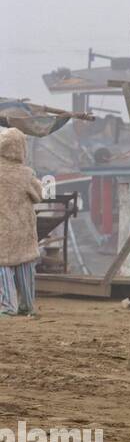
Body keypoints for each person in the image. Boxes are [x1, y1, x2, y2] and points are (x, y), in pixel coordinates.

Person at [0, 128, 44, 317]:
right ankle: (26, 305)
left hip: (2, 228)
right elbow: (39, 195)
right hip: (23, 229)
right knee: (25, 266)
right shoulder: (25, 174)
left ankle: (8, 305)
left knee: (3, 267)